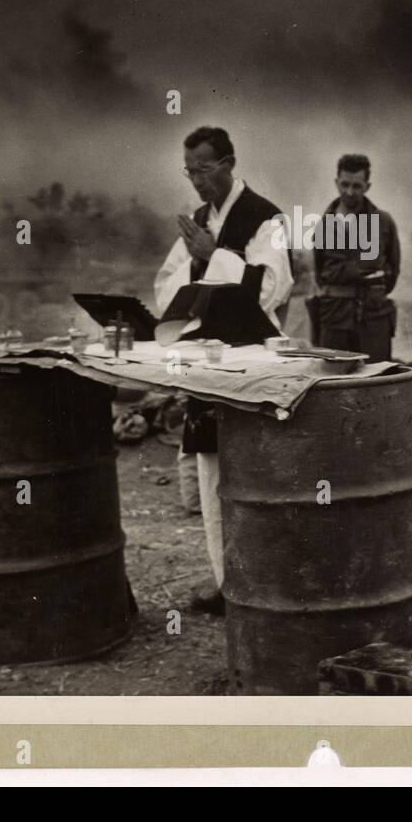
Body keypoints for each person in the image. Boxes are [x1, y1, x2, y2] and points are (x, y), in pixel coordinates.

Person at [154, 126, 293, 614]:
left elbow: (273, 286)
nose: (196, 181)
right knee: (212, 468)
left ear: (229, 163)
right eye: (189, 171)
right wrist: (196, 265)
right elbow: (167, 285)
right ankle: (226, 578)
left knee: (256, 470)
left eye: (205, 169)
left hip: (252, 358)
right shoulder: (197, 220)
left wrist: (215, 257)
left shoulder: (265, 217)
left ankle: (267, 579)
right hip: (207, 357)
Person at [311, 153, 401, 362]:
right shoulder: (324, 225)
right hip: (334, 317)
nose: (349, 192)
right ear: (336, 182)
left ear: (367, 186)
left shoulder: (383, 222)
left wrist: (371, 293)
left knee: (376, 377)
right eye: (344, 184)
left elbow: (393, 270)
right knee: (333, 377)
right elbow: (319, 273)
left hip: (373, 317)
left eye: (357, 186)